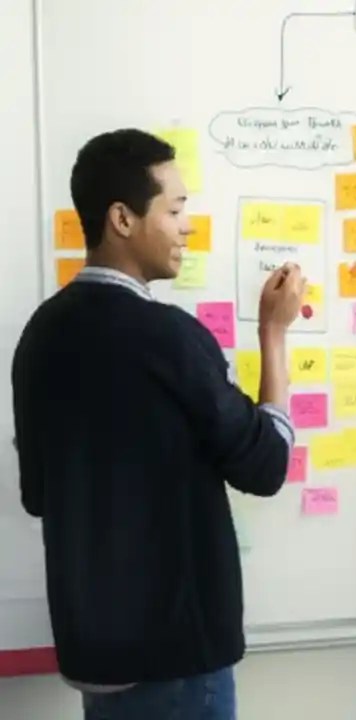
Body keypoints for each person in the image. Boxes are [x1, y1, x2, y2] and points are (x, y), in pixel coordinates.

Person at [12, 128, 305, 719]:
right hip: (175, 659)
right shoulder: (168, 338)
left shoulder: (40, 334)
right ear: (122, 218)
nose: (188, 227)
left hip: (97, 657)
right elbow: (268, 464)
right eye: (175, 210)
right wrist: (273, 334)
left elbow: (39, 495)